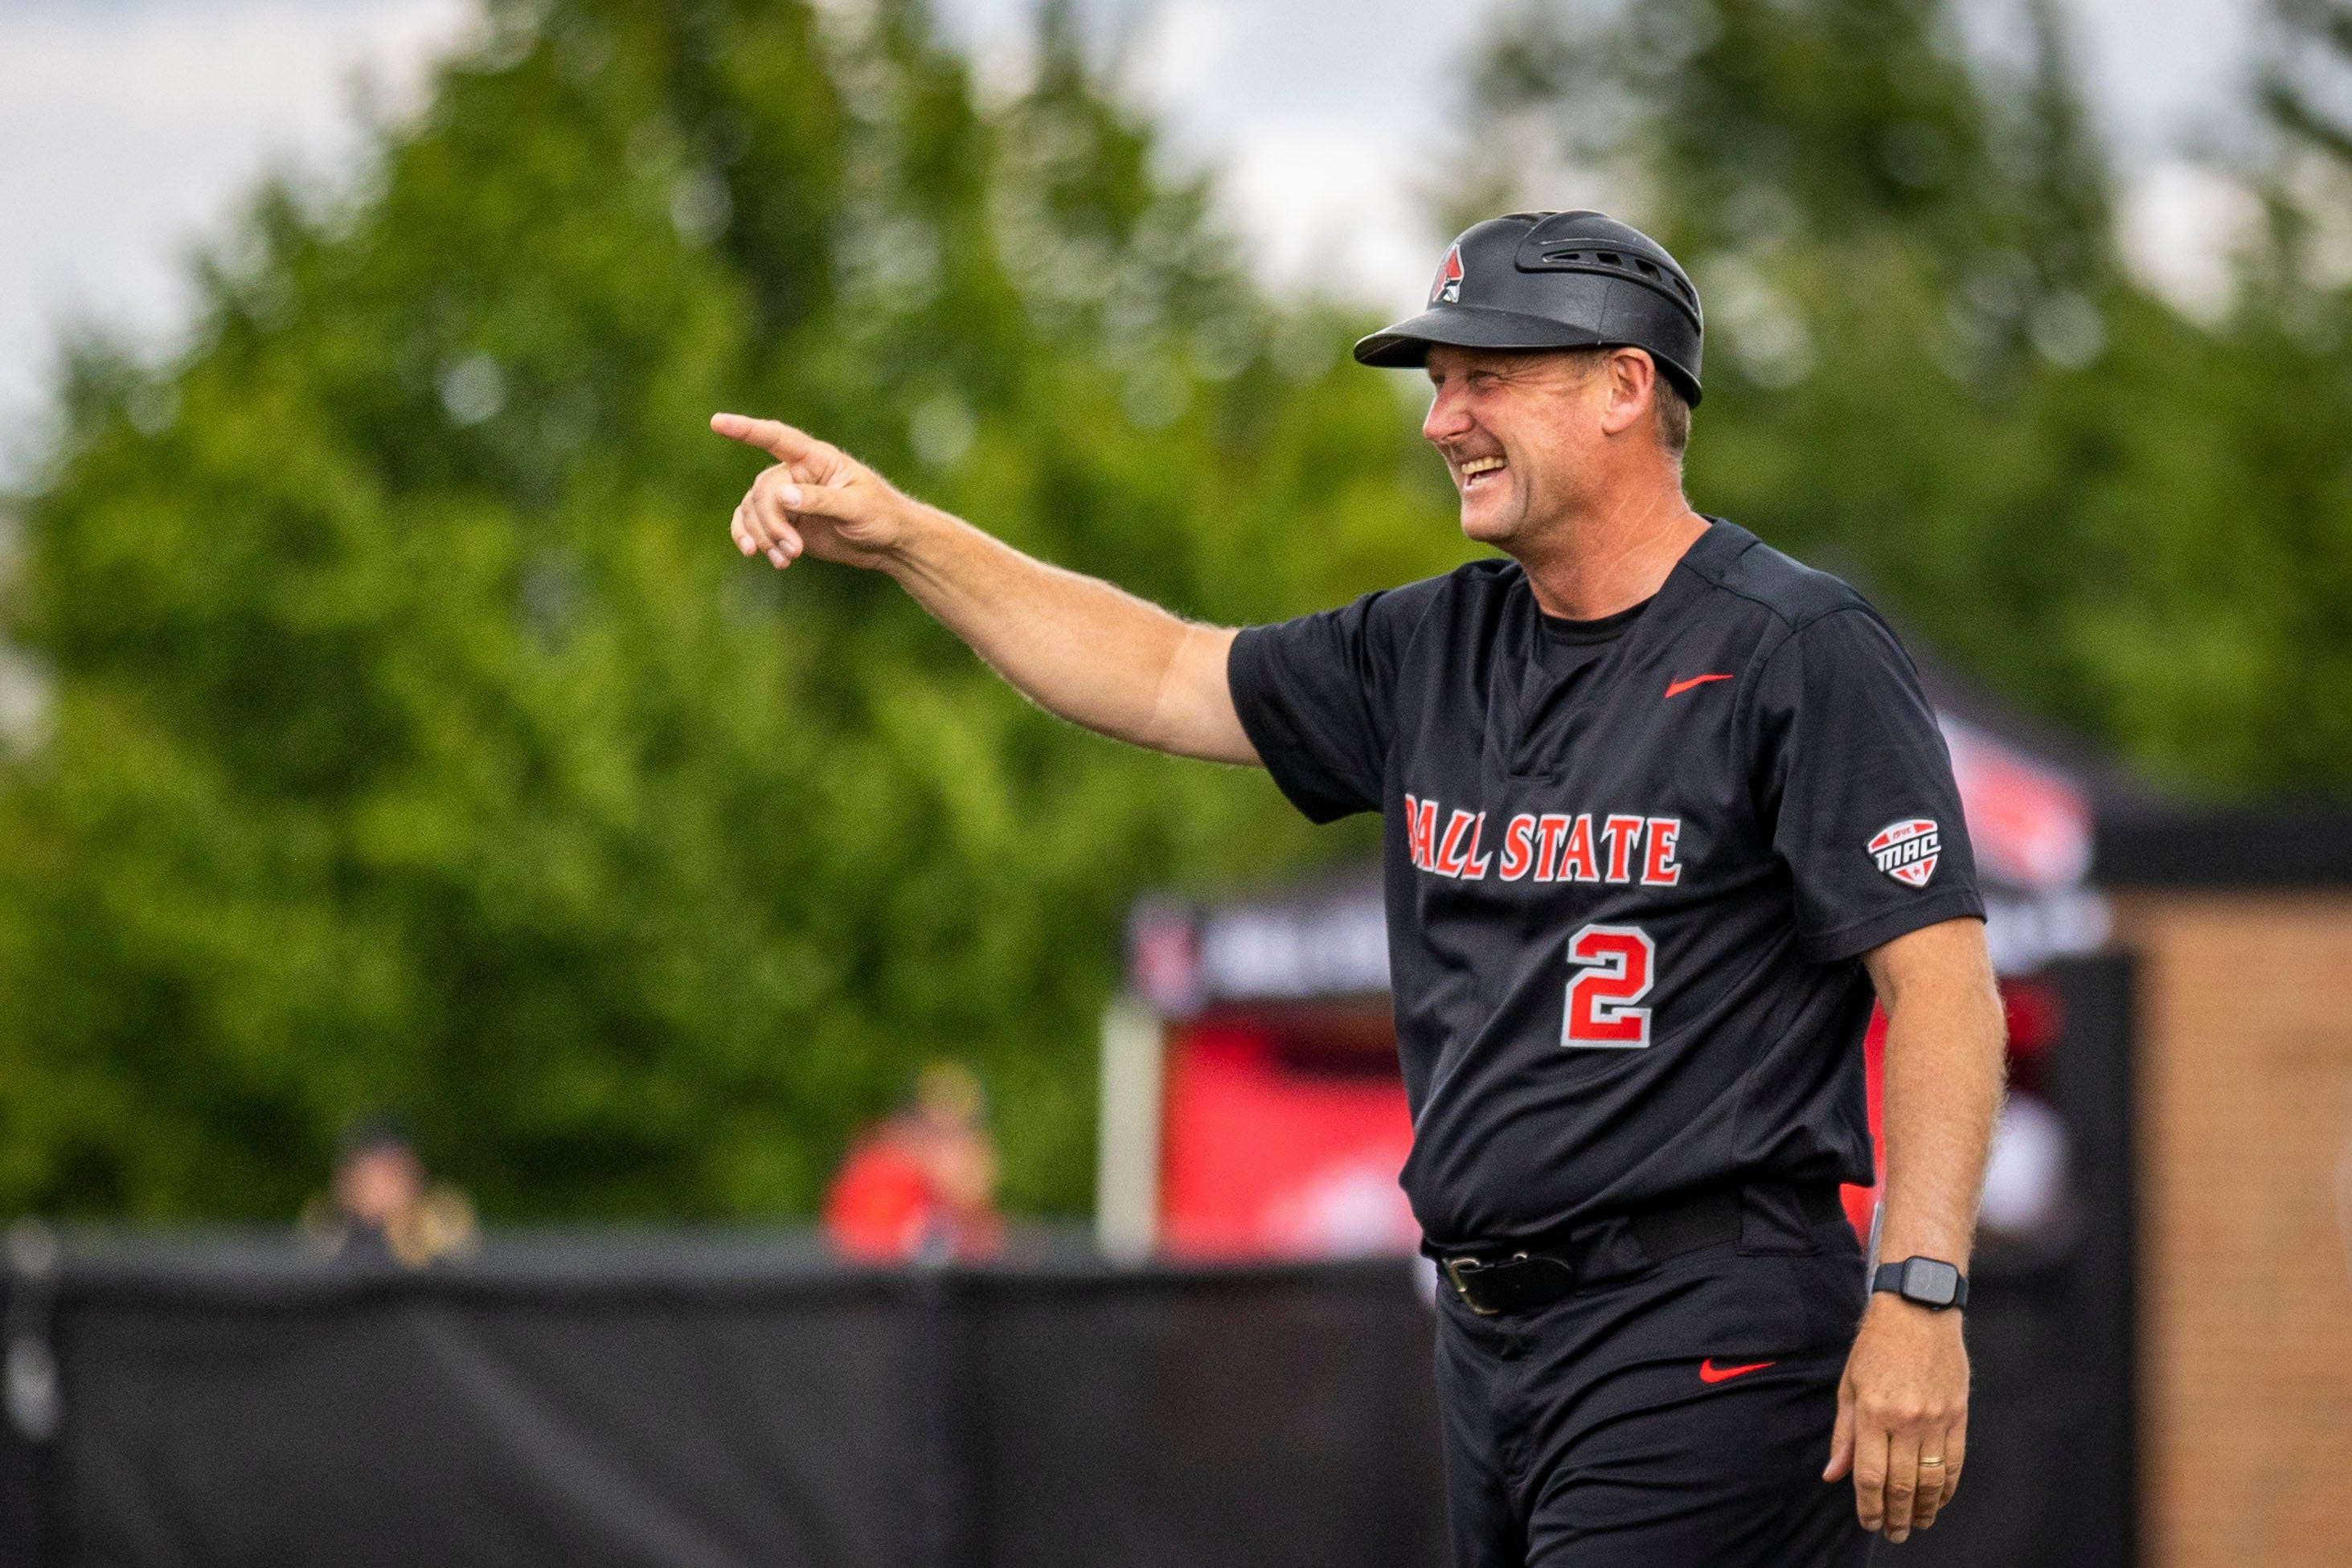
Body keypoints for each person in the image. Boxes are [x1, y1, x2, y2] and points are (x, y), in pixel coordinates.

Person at [711, 209, 2006, 1565]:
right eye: (1438, 383)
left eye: (1486, 375)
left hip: (1703, 1327)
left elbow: (1942, 990)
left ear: (1626, 386)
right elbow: (1159, 674)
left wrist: (1917, 1295)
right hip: (1487, 1343)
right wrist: (911, 536)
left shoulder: (1797, 647)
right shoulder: (1430, 644)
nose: (1443, 418)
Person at [823, 1062, 1004, 1263]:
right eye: (943, 1134)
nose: (964, 1149)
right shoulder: (882, 1182)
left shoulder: (961, 1205)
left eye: (965, 1132)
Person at [300, 1113, 477, 1269]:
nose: (389, 1186)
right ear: (345, 1180)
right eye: (377, 1173)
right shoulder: (322, 1244)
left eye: (399, 1172)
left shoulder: (445, 1244)